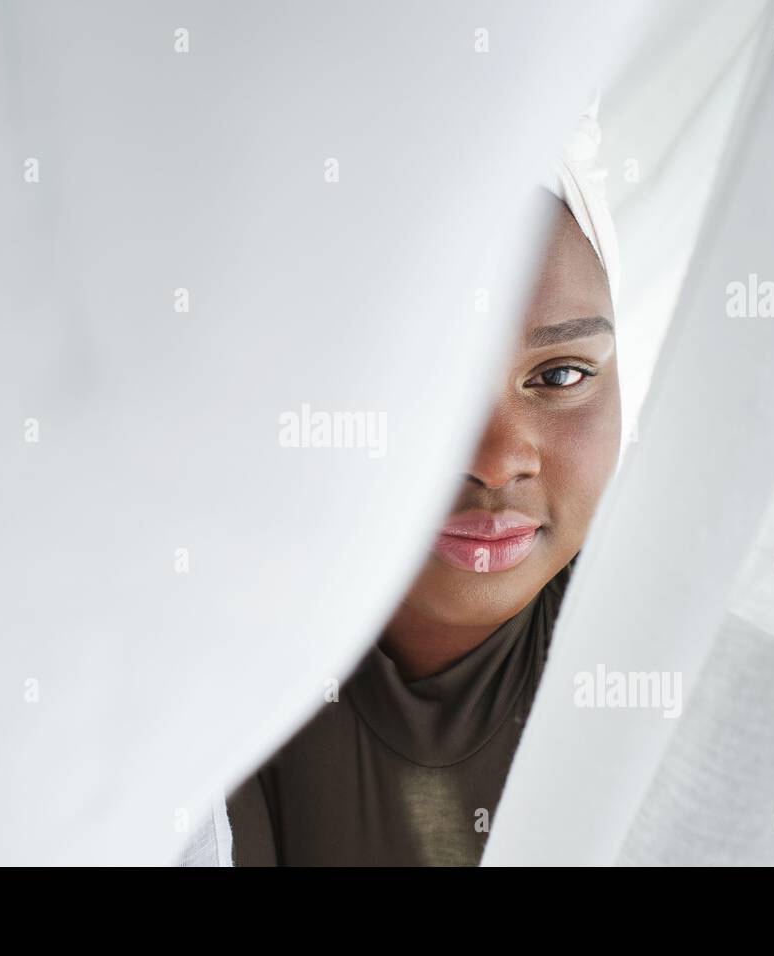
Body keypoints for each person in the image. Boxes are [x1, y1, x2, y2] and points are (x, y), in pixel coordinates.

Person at [226, 108, 623, 866]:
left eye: (562, 374)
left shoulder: (708, 708)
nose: (499, 458)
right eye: (426, 382)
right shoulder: (185, 693)